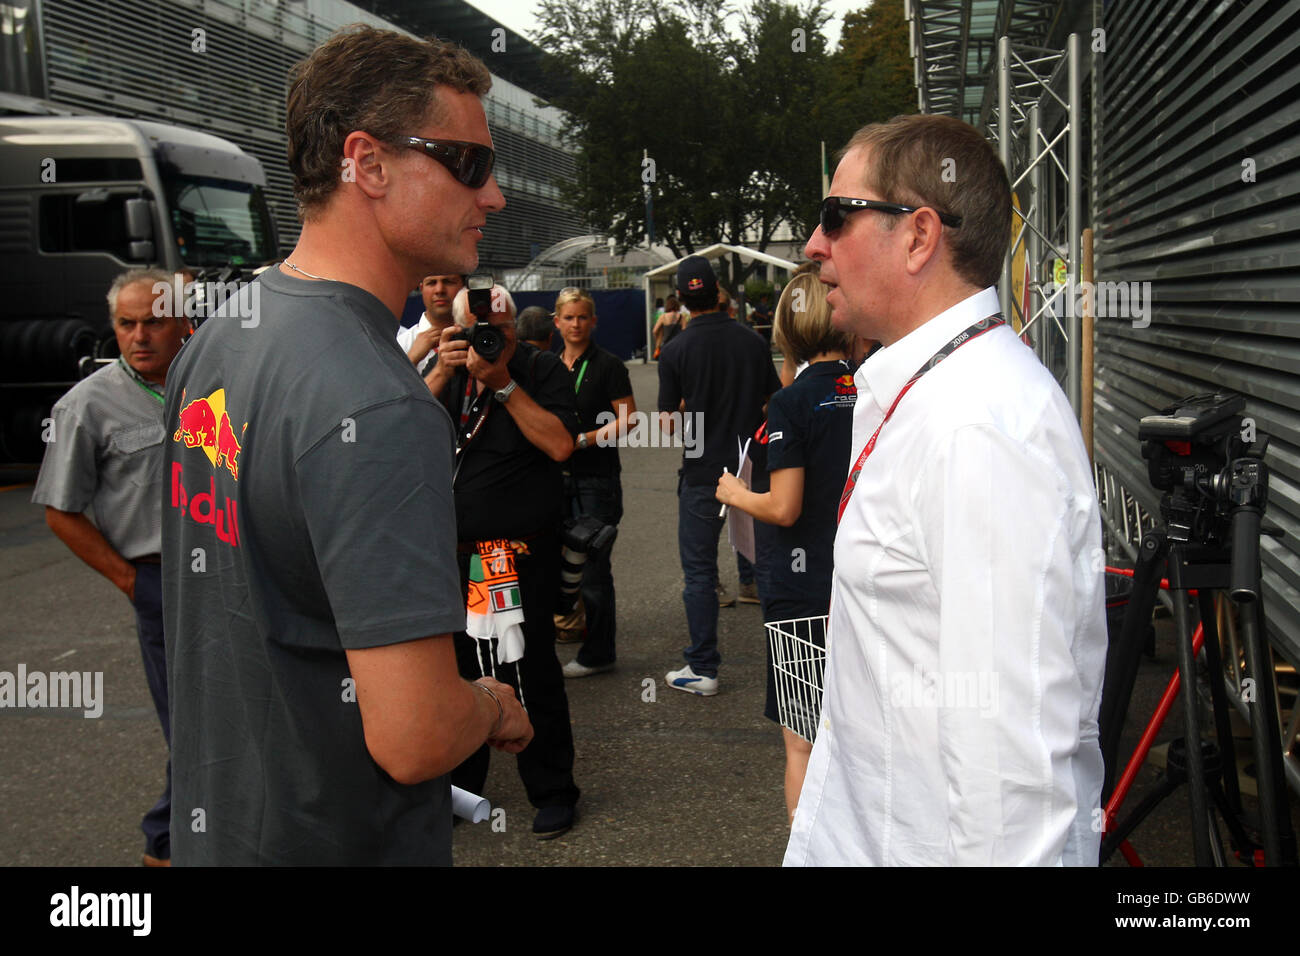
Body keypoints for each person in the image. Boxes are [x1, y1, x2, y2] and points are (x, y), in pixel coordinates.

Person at [162, 25, 532, 866]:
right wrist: (489, 704)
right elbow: (415, 736)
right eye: (468, 163)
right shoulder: (378, 403)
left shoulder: (220, 340)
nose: (494, 195)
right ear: (364, 162)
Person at [784, 113, 1106, 866]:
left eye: (838, 215)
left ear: (920, 236)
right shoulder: (929, 393)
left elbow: (1012, 780)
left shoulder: (979, 427)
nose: (814, 244)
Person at [32, 268, 190, 867]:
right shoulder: (84, 407)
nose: (140, 336)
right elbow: (61, 513)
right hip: (161, 582)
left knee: (246, 712)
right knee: (192, 725)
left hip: (235, 574)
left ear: (182, 323)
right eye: (127, 324)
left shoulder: (214, 384)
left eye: (154, 322)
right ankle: (166, 845)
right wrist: (132, 582)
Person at [426, 283, 583, 838]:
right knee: (456, 673)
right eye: (479, 333)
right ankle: (461, 792)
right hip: (448, 551)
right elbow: (402, 438)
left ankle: (553, 790)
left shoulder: (539, 369)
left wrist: (504, 385)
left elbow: (561, 445)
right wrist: (443, 372)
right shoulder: (444, 370)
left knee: (525, 667)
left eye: (504, 331)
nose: (493, 342)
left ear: (517, 326)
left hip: (506, 554)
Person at [715, 271, 855, 822]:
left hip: (801, 595)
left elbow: (784, 506)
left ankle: (809, 853)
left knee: (803, 740)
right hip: (862, 584)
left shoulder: (792, 404)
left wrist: (736, 492)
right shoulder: (870, 389)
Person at [658, 255, 781, 696]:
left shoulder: (674, 350)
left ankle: (704, 667)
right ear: (717, 294)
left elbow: (670, 421)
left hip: (701, 472)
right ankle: (789, 666)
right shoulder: (751, 342)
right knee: (767, 565)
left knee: (700, 572)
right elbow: (774, 400)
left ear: (683, 301)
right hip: (750, 467)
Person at [551, 288, 635, 679]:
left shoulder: (608, 365)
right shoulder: (549, 365)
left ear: (594, 321)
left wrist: (583, 440)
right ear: (557, 322)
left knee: (594, 570)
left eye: (582, 317)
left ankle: (599, 652)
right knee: (558, 565)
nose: (576, 324)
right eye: (568, 317)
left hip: (596, 480)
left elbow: (629, 420)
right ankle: (567, 630)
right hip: (557, 479)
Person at [396, 273, 465, 373]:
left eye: (448, 282)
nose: (439, 290)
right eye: (432, 283)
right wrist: (411, 359)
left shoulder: (478, 340)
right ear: (421, 288)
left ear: (463, 287)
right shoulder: (401, 345)